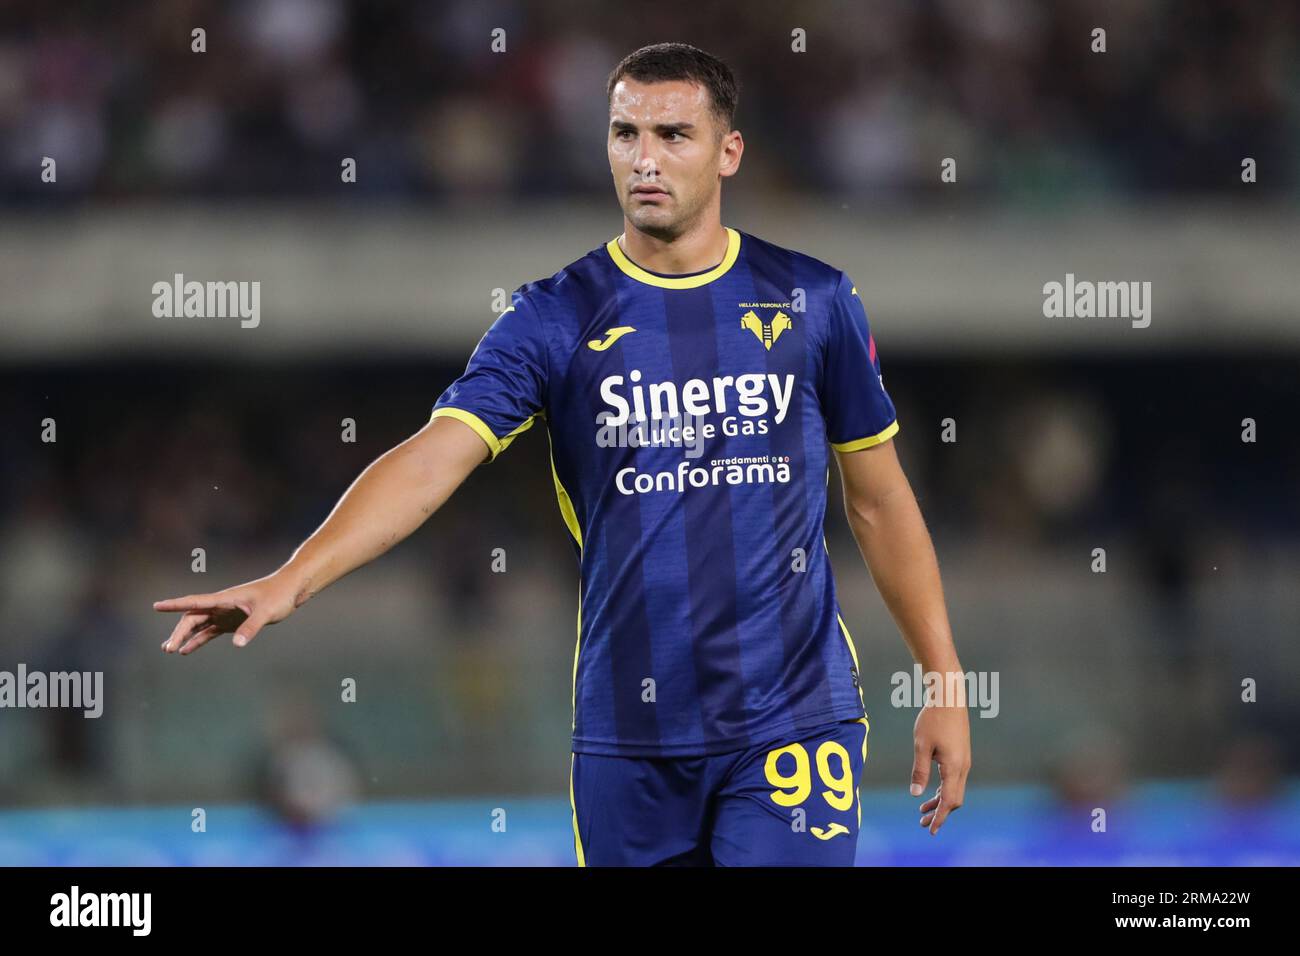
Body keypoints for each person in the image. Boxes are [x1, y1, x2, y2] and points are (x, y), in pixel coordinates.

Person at [155, 42, 970, 866]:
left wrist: (941, 679)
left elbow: (878, 500)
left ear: (729, 152)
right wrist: (291, 578)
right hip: (627, 734)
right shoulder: (551, 317)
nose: (644, 159)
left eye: (674, 135)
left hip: (793, 720)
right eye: (625, 134)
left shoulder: (815, 301)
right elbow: (435, 459)